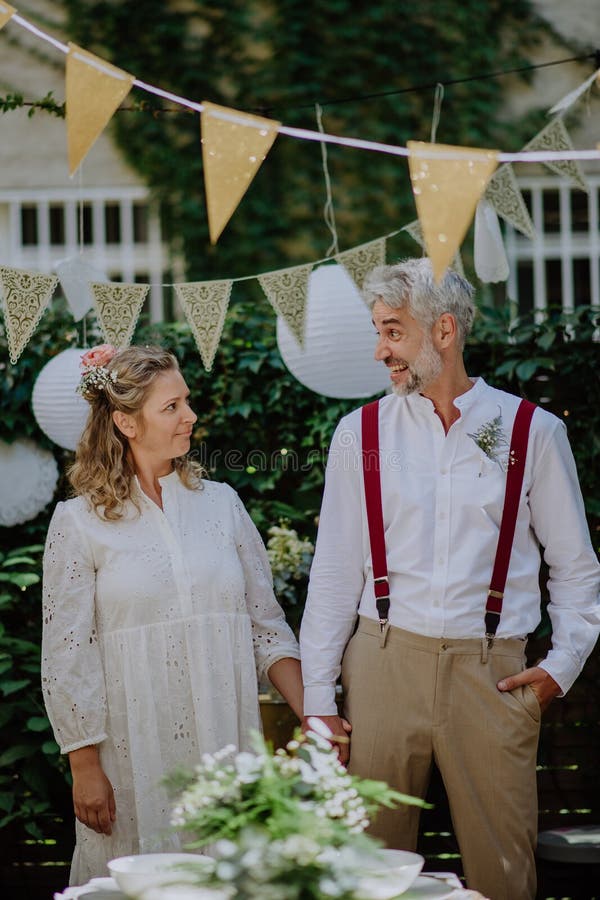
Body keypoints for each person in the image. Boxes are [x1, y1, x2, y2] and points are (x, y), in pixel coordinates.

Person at [299, 258, 600, 900]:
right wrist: (320, 702)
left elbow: (574, 566)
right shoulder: (361, 434)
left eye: (392, 331)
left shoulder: (531, 432)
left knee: (503, 876)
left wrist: (561, 665)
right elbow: (333, 573)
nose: (380, 350)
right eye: (378, 332)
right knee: (366, 873)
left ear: (442, 331)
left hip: (492, 674)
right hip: (381, 664)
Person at [41, 344, 303, 886]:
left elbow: (266, 627)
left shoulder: (222, 503)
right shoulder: (79, 523)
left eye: (187, 401)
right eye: (172, 406)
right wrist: (84, 766)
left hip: (225, 742)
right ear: (125, 422)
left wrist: (314, 715)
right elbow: (67, 657)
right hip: (133, 753)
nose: (191, 415)